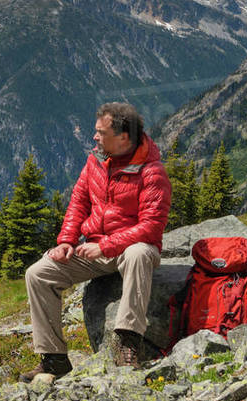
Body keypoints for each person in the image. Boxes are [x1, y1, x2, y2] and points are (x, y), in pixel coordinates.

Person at [21, 102, 171, 379]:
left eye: (101, 132)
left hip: (129, 248)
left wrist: (105, 246)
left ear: (123, 137)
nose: (95, 137)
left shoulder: (152, 173)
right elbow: (79, 201)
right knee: (37, 274)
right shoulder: (96, 161)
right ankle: (54, 359)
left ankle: (128, 343)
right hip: (94, 247)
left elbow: (150, 227)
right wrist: (67, 240)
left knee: (139, 254)